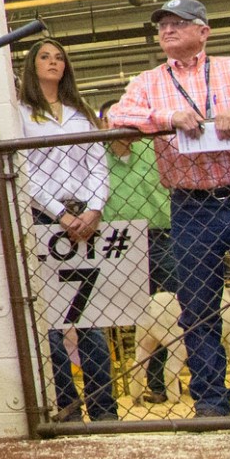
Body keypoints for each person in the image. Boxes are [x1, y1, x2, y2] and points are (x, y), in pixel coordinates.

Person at [108, 0, 230, 417]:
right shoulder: (148, 81)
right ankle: (211, 402)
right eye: (162, 26)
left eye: (178, 24)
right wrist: (168, 117)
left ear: (204, 31)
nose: (167, 31)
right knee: (197, 309)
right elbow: (117, 115)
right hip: (190, 206)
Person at [15, 39, 115, 422]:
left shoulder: (80, 113)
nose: (53, 62)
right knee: (53, 319)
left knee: (91, 317)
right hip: (44, 219)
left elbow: (97, 163)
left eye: (59, 58)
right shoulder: (21, 113)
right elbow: (25, 168)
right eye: (45, 57)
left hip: (87, 222)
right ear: (31, 66)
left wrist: (93, 209)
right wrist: (59, 215)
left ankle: (105, 410)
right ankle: (68, 409)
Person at [96, 98, 176, 403]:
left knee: (166, 311)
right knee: (114, 313)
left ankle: (157, 383)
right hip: (116, 241)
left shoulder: (154, 147)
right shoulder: (94, 155)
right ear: (104, 123)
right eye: (114, 117)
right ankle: (117, 384)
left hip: (161, 235)